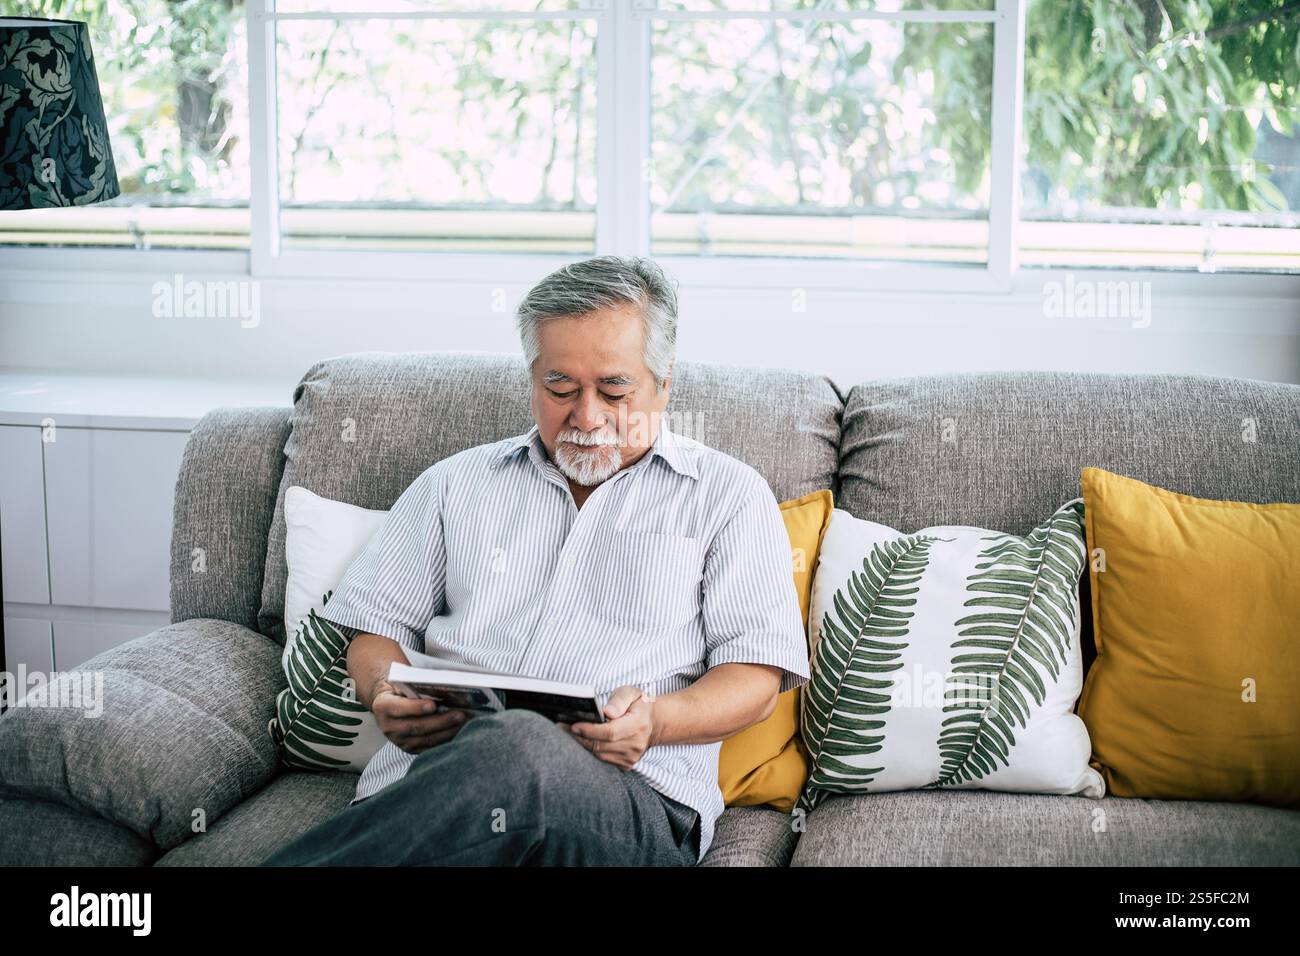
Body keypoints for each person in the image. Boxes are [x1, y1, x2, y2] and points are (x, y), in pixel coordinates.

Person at [260, 255, 809, 866]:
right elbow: (377, 629)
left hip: (629, 804)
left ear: (664, 382)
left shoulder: (727, 495)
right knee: (508, 754)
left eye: (615, 389)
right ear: (533, 378)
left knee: (522, 746)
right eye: (561, 388)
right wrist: (384, 692)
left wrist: (656, 720)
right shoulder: (455, 484)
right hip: (426, 786)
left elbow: (756, 680)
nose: (587, 417)